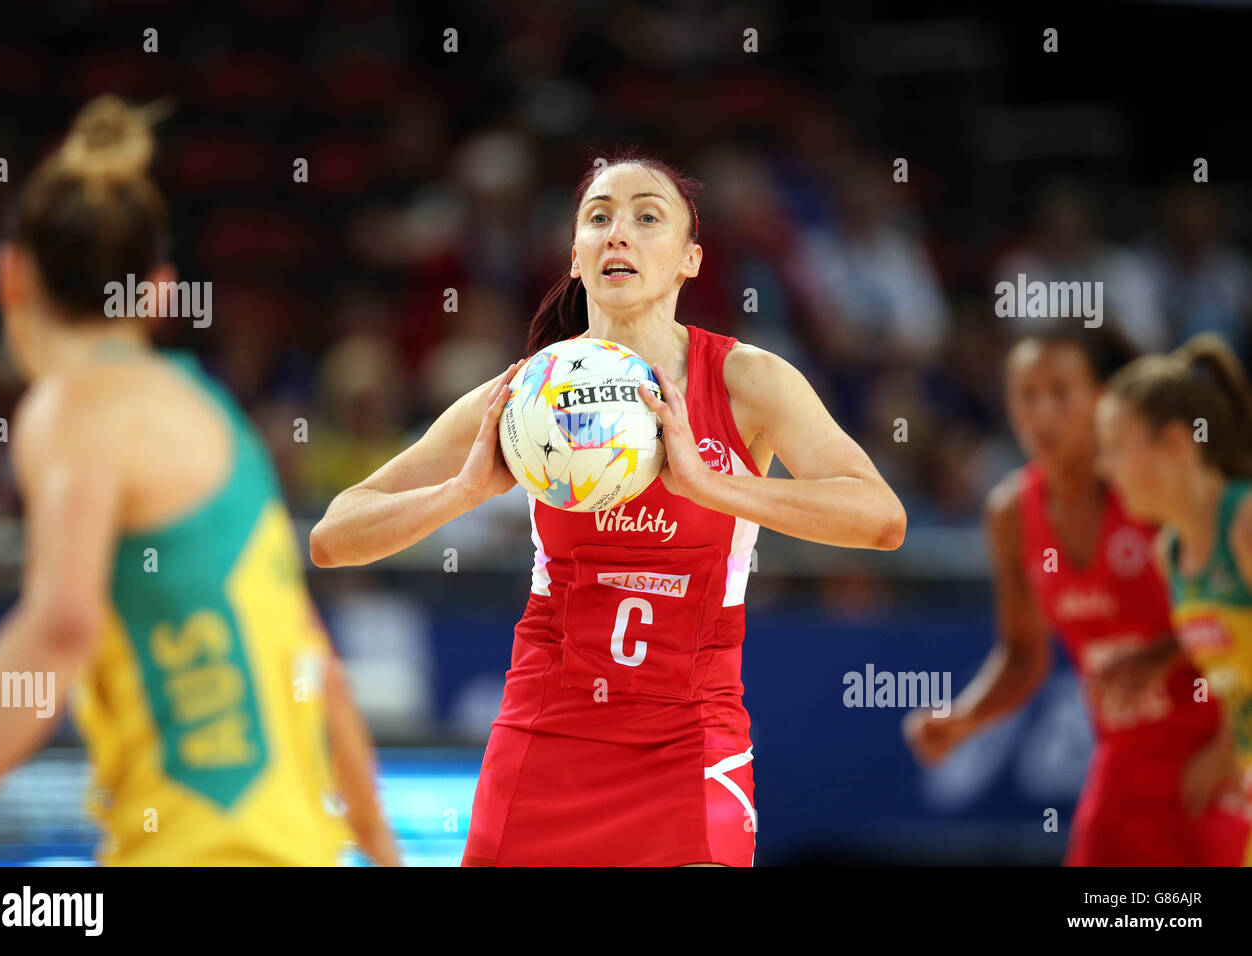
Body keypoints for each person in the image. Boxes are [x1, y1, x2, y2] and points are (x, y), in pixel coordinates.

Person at [311, 151, 907, 866]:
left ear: (690, 259)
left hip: (690, 730)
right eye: (599, 218)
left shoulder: (749, 380)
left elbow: (880, 518)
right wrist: (461, 494)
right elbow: (332, 537)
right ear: (575, 253)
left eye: (646, 217)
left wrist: (711, 485)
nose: (618, 232)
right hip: (548, 731)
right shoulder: (527, 394)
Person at [0, 95, 398, 866]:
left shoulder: (71, 406)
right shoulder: (221, 420)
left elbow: (61, 625)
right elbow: (319, 672)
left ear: (10, 277)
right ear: (157, 291)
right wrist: (383, 855)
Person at [904, 327, 1243, 865]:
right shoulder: (1012, 513)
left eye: (1060, 393)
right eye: (1025, 396)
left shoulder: (1157, 490)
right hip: (1123, 766)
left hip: (1215, 758)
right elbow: (1021, 653)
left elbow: (1234, 610)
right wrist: (964, 717)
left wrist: (1161, 657)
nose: (1041, 414)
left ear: (1103, 398)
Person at [1097, 332, 1252, 865]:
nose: (1105, 467)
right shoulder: (1170, 553)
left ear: (1178, 444)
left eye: (1116, 444)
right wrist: (1231, 751)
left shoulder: (1246, 526)